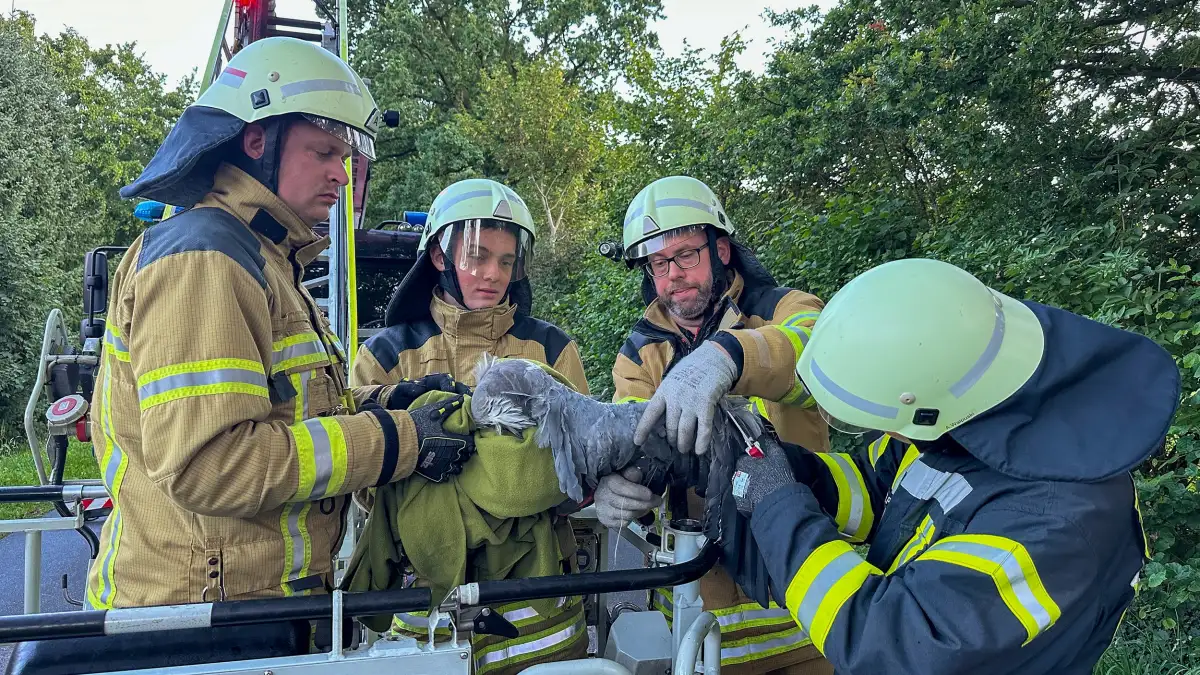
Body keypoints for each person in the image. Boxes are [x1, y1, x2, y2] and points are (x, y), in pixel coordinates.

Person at [86, 37, 476, 610]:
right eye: (323, 152)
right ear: (256, 141)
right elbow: (213, 466)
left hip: (256, 604)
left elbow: (289, 413)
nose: (341, 175)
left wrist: (390, 402)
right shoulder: (207, 259)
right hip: (208, 619)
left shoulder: (264, 258)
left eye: (345, 158)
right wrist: (400, 439)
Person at [729, 258, 1180, 675]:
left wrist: (778, 507)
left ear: (930, 403)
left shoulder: (1055, 521)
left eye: (891, 423)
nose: (889, 436)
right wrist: (792, 470)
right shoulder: (965, 417)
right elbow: (874, 488)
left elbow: (891, 642)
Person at [349, 178, 590, 674]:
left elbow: (578, 467)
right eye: (477, 256)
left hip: (538, 609)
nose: (492, 274)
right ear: (440, 256)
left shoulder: (551, 350)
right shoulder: (386, 355)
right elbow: (364, 477)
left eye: (506, 261)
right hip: (423, 600)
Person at [601, 175, 833, 674]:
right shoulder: (639, 352)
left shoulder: (785, 309)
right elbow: (631, 440)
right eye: (659, 264)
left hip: (800, 599)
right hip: (695, 610)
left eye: (685, 255)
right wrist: (620, 489)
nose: (673, 276)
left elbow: (816, 356)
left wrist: (730, 356)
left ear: (720, 249)